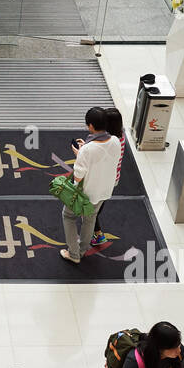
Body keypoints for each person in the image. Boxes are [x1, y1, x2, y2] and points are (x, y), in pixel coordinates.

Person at [60, 106, 123, 263]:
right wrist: (84, 151)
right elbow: (102, 157)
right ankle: (82, 250)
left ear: (91, 126)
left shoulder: (87, 150)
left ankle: (73, 254)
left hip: (86, 192)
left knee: (68, 216)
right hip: (104, 190)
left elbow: (78, 176)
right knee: (90, 218)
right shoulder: (116, 141)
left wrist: (79, 153)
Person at [90, 107, 127, 249]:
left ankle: (98, 234)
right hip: (112, 179)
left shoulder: (109, 142)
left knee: (93, 209)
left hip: (101, 179)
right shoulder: (121, 136)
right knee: (99, 204)